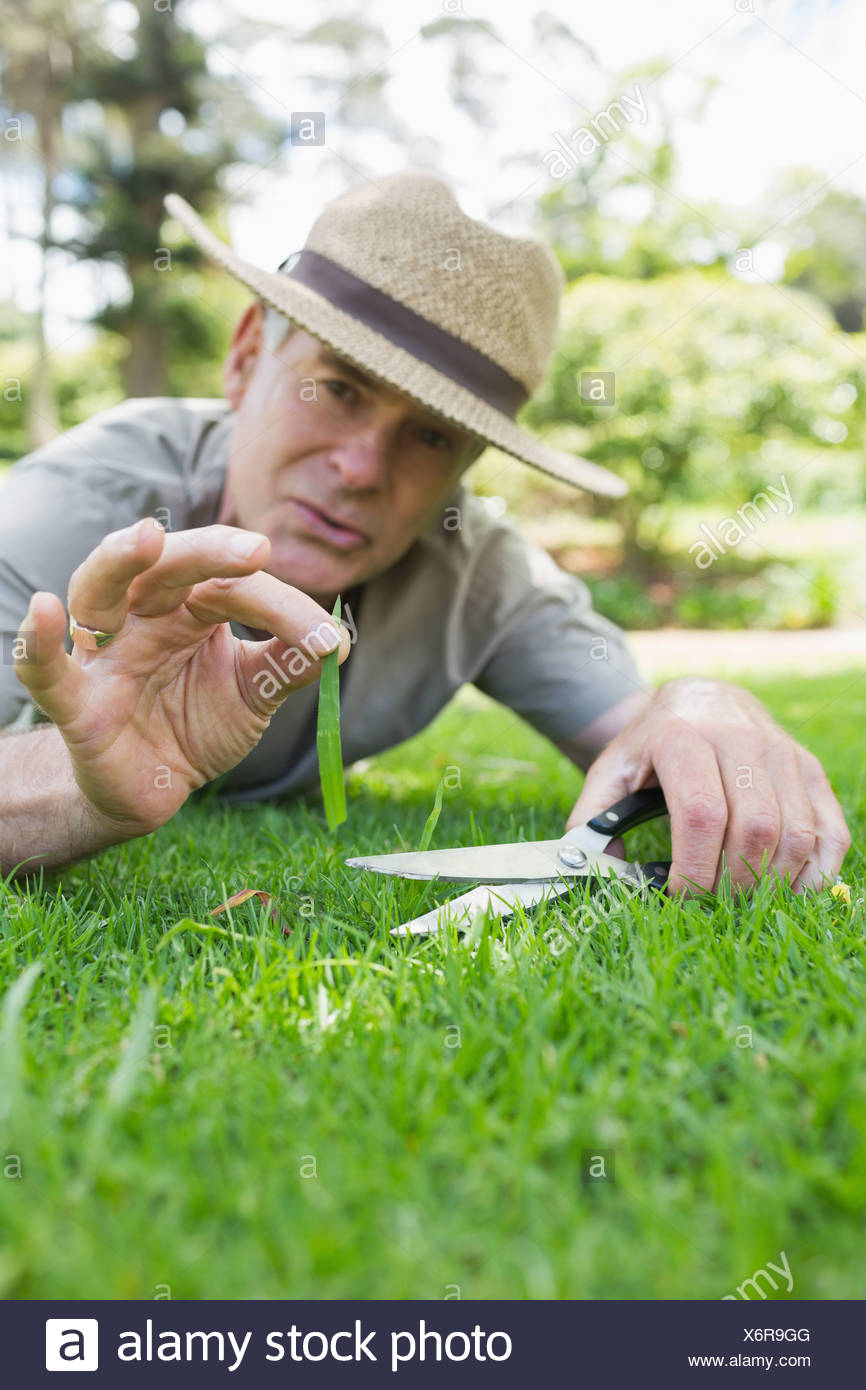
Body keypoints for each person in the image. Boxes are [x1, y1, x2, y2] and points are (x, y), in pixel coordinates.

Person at [0, 172, 849, 893]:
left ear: (469, 465)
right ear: (249, 354)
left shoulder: (476, 572)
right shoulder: (75, 516)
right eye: (338, 389)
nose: (365, 468)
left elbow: (641, 724)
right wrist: (86, 785)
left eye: (432, 435)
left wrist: (705, 702)